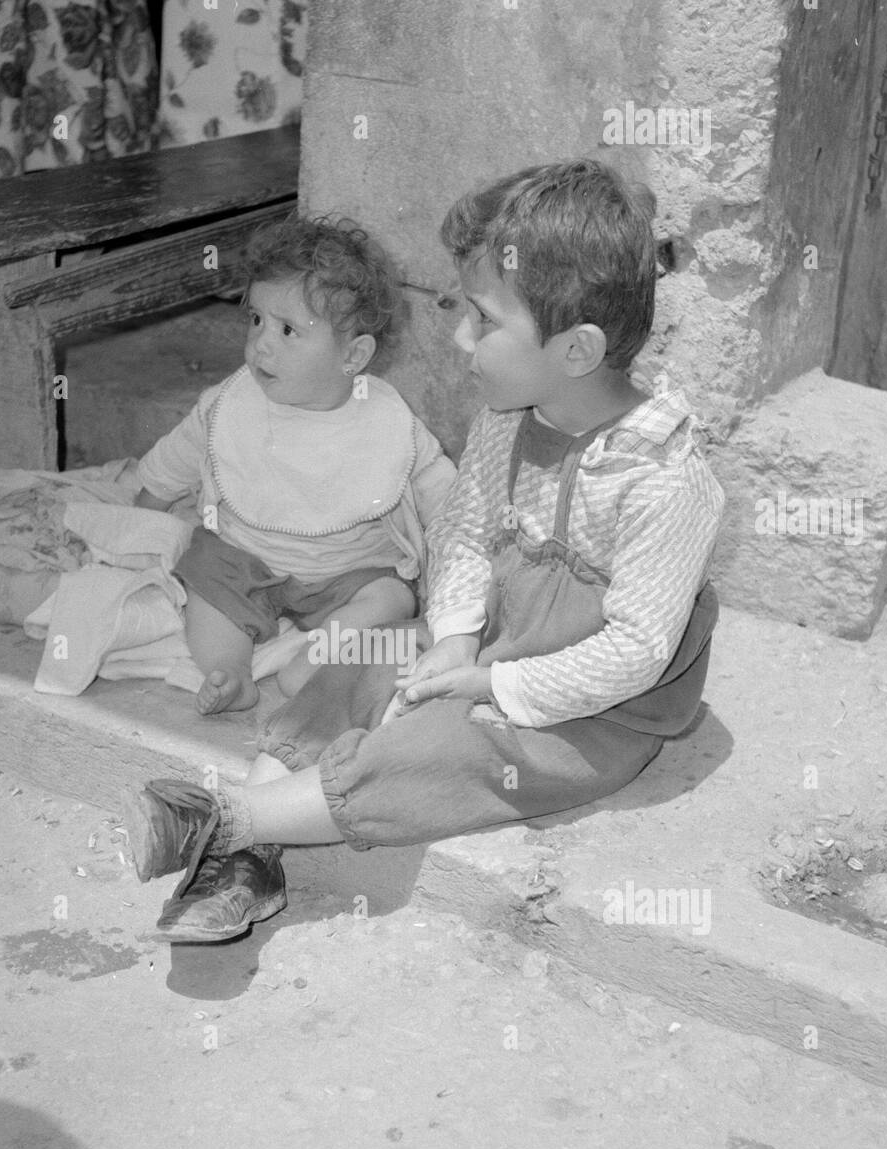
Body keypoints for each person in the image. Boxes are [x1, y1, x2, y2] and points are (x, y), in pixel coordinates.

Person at [123, 158, 725, 941]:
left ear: (575, 350)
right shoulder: (507, 420)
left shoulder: (661, 478)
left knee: (453, 742)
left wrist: (484, 680)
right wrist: (451, 641)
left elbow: (635, 654)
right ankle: (248, 853)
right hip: (490, 653)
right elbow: (467, 536)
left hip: (585, 716)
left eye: (481, 318)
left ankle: (225, 819)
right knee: (373, 652)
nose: (458, 336)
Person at [134, 214, 455, 714]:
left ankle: (320, 650)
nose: (262, 343)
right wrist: (144, 508)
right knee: (206, 586)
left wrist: (465, 556)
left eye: (288, 330)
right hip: (245, 560)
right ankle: (233, 674)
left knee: (392, 598)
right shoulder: (231, 403)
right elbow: (177, 456)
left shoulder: (388, 423)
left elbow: (443, 497)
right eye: (256, 319)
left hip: (347, 573)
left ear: (353, 356)